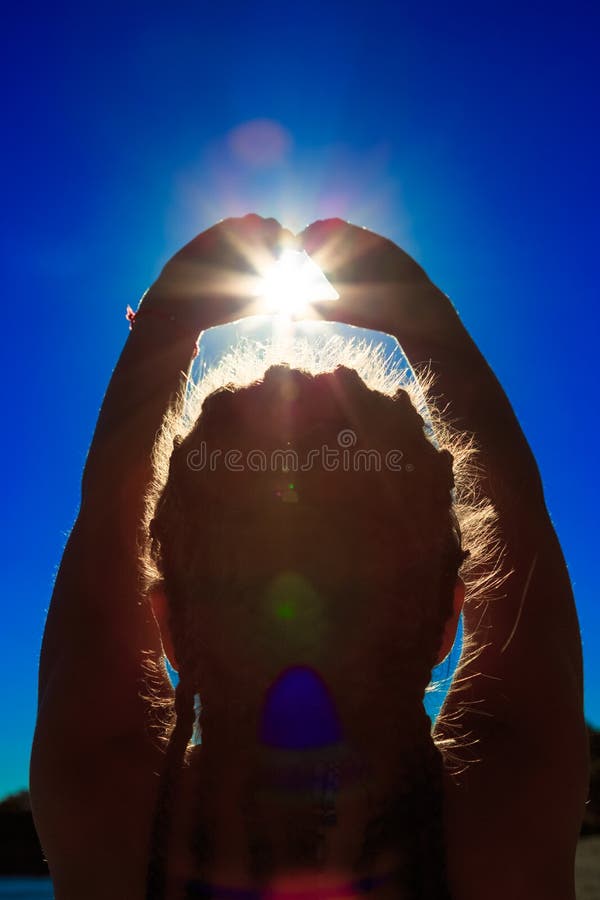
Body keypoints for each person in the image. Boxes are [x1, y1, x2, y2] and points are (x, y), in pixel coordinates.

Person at [30, 215, 589, 900]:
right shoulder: (503, 829)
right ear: (447, 618)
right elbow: (521, 525)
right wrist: (430, 323)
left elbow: (101, 536)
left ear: (169, 624)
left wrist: (164, 325)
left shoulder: (113, 827)